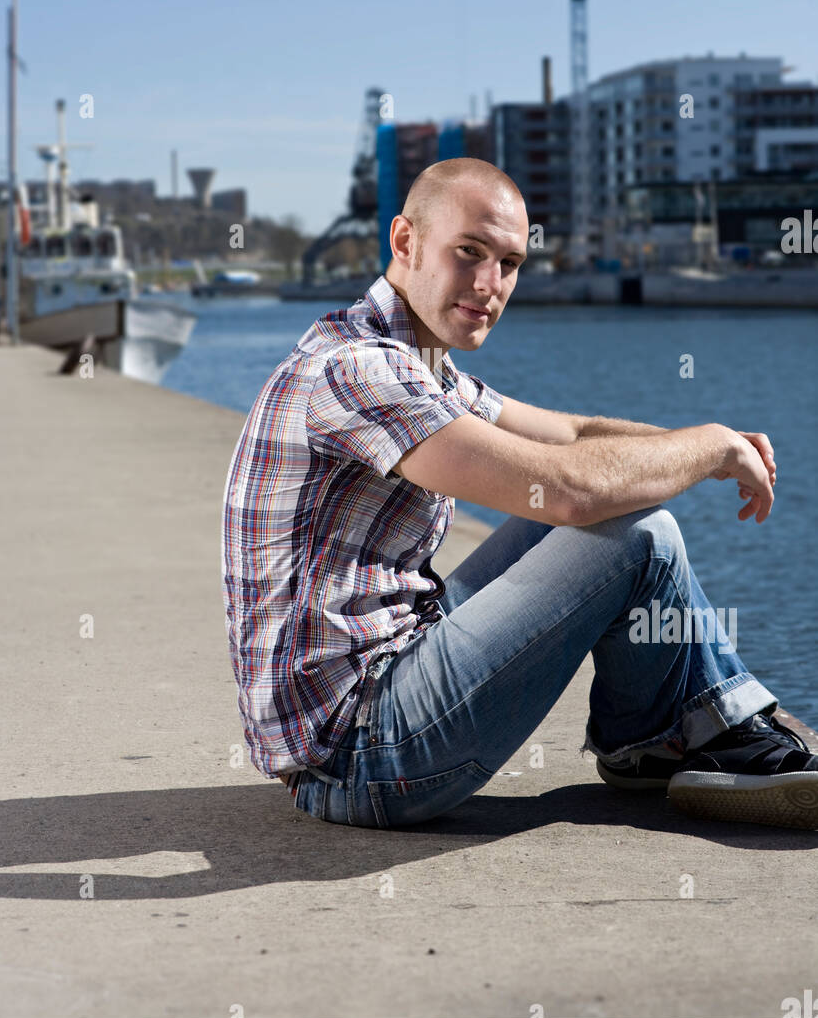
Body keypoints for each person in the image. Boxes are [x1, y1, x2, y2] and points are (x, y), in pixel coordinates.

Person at [221, 158, 818, 832]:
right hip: (358, 754)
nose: (488, 285)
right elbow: (569, 492)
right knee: (637, 535)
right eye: (468, 253)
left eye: (508, 263)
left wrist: (710, 445)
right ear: (405, 242)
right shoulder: (357, 372)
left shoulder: (417, 365)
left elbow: (571, 433)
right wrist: (710, 446)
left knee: (624, 504)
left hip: (380, 690)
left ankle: (658, 741)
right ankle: (699, 731)